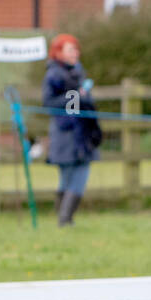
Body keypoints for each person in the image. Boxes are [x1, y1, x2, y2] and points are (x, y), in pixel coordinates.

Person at [42, 33, 102, 226]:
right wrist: (76, 96)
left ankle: (64, 218)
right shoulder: (54, 75)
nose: (75, 53)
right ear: (58, 52)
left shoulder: (78, 72)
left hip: (82, 132)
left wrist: (82, 97)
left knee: (78, 175)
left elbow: (79, 103)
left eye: (76, 49)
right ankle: (64, 219)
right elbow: (51, 102)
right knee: (70, 177)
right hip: (65, 133)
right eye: (70, 49)